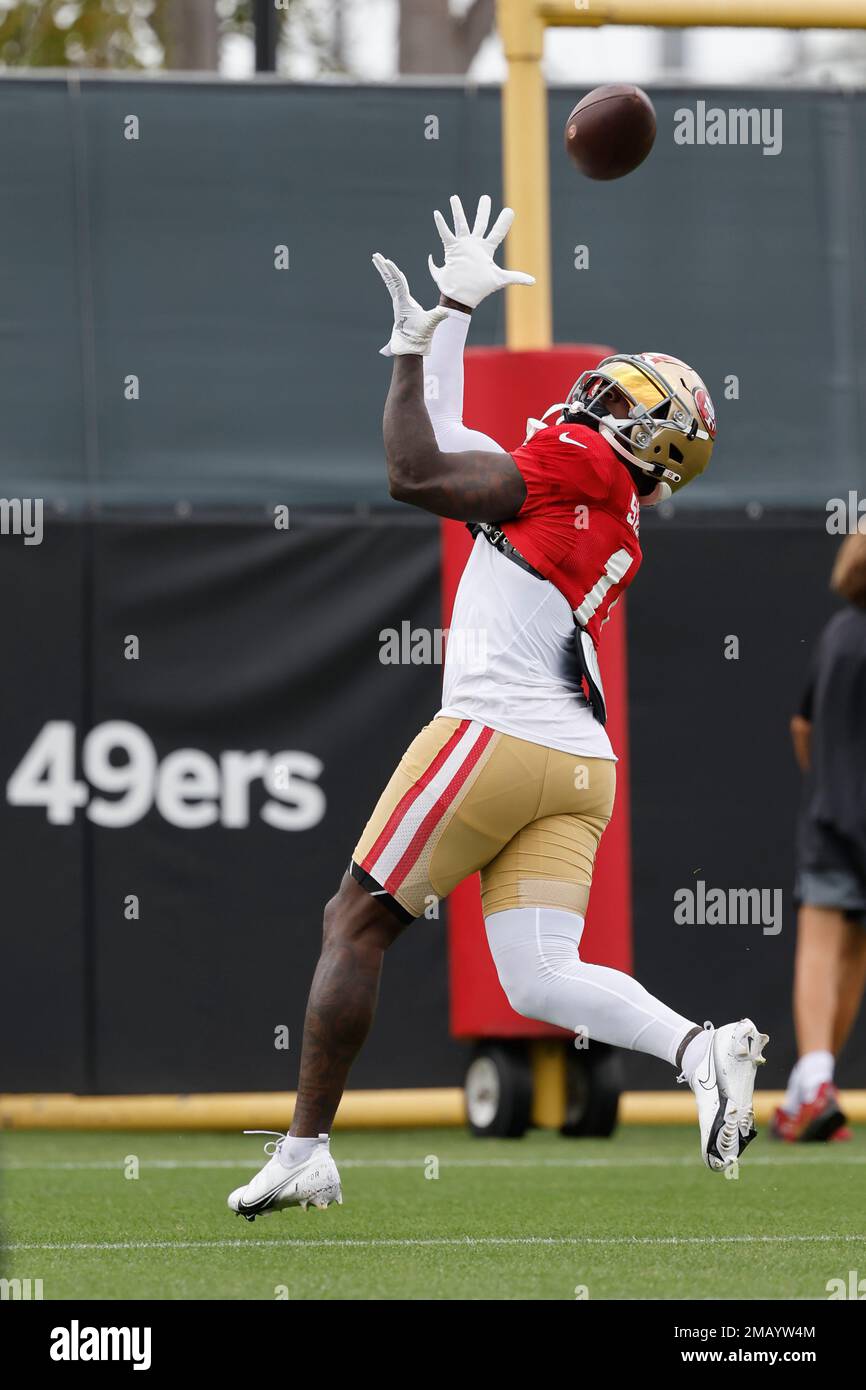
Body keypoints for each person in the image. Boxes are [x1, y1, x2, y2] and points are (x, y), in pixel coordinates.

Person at [228, 195, 768, 1220]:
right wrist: (448, 310)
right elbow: (453, 437)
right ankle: (700, 1047)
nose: (596, 393)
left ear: (643, 434)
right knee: (537, 979)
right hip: (578, 766)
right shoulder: (607, 513)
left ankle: (305, 1147)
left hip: (496, 731)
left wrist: (406, 346)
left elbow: (411, 467)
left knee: (354, 919)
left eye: (623, 394)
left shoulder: (575, 463)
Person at [773, 532, 866, 1142]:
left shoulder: (837, 635)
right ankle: (811, 1093)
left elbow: (802, 727)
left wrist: (833, 777)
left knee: (821, 948)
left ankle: (816, 1084)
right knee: (854, 951)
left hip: (834, 818)